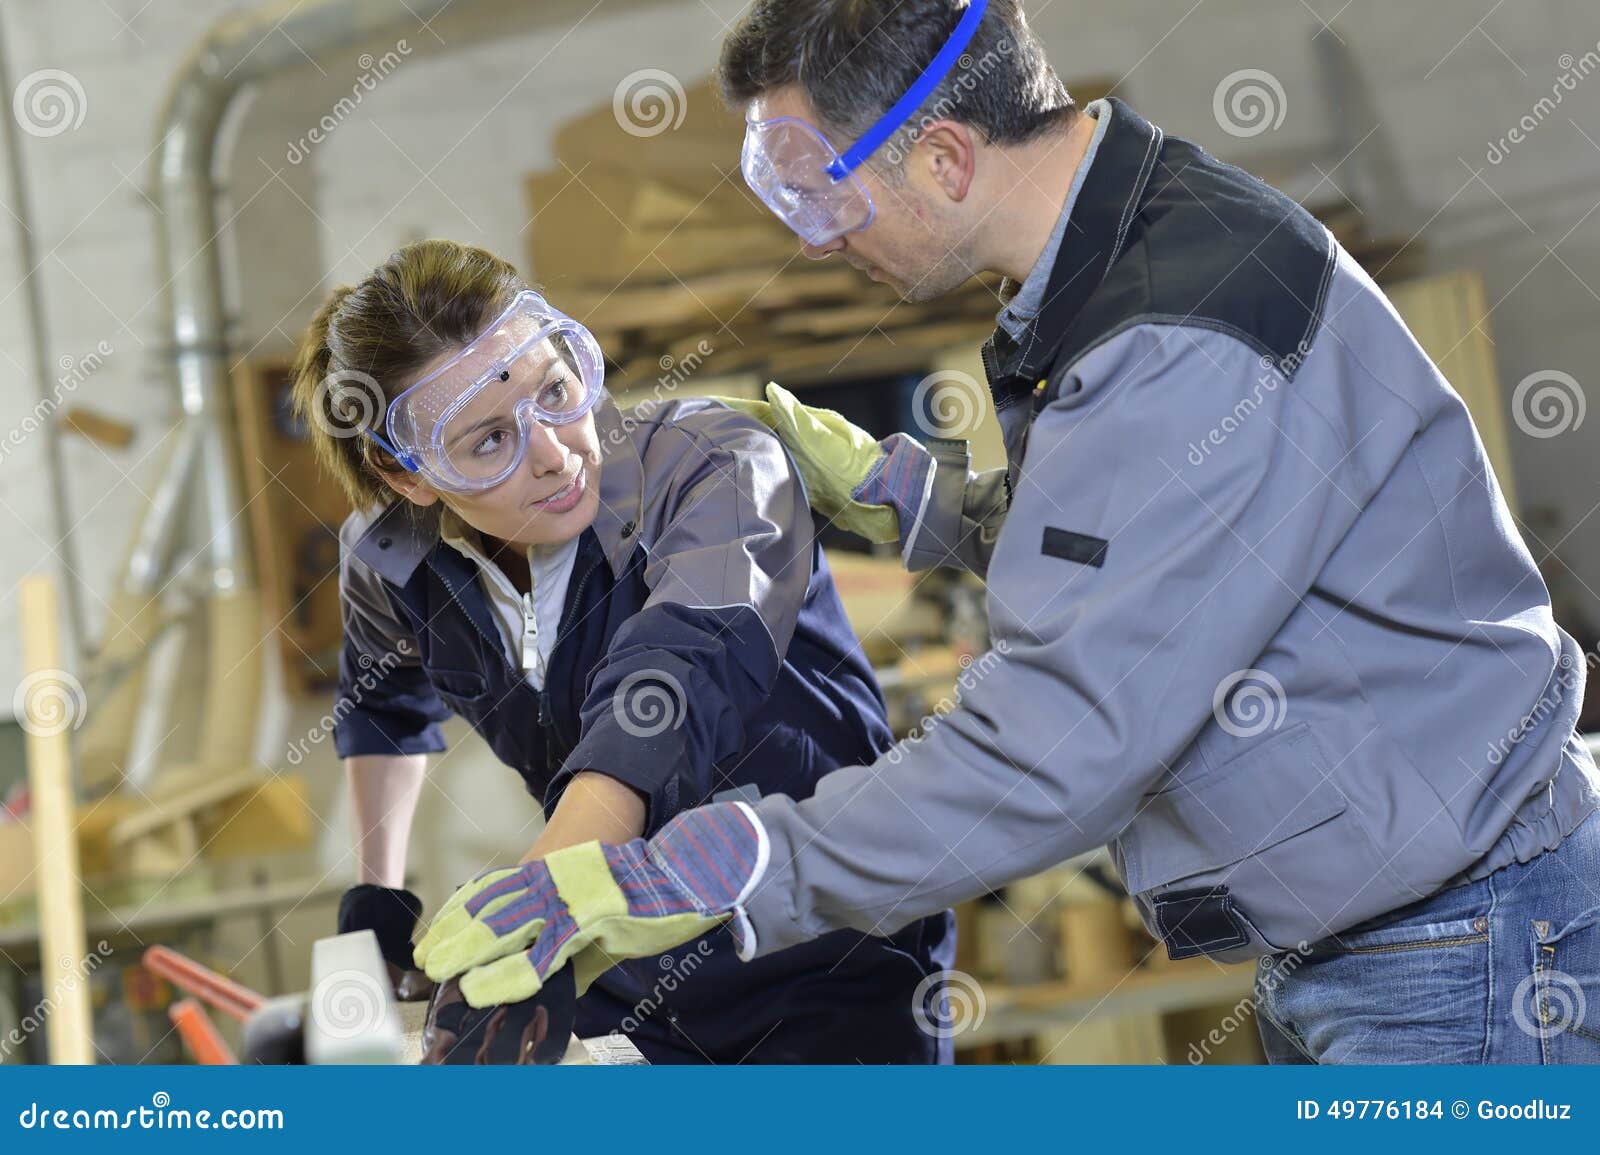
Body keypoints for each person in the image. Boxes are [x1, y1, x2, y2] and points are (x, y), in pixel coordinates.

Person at [415, 1, 1600, 1064]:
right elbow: (1164, 551)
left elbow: (1054, 745)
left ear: (941, 156)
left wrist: (726, 866)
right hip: (1396, 926)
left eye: (824, 193)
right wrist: (915, 502)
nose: (816, 239)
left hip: (1460, 952)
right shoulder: (1127, 256)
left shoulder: (1171, 332)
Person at [295, 238, 954, 1064]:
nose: (557, 452)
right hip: (627, 966)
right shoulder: (391, 557)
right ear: (407, 478)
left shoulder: (712, 466)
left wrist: (538, 900)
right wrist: (379, 893)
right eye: (489, 442)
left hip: (830, 960)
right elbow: (385, 709)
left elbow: (668, 686)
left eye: (556, 391)